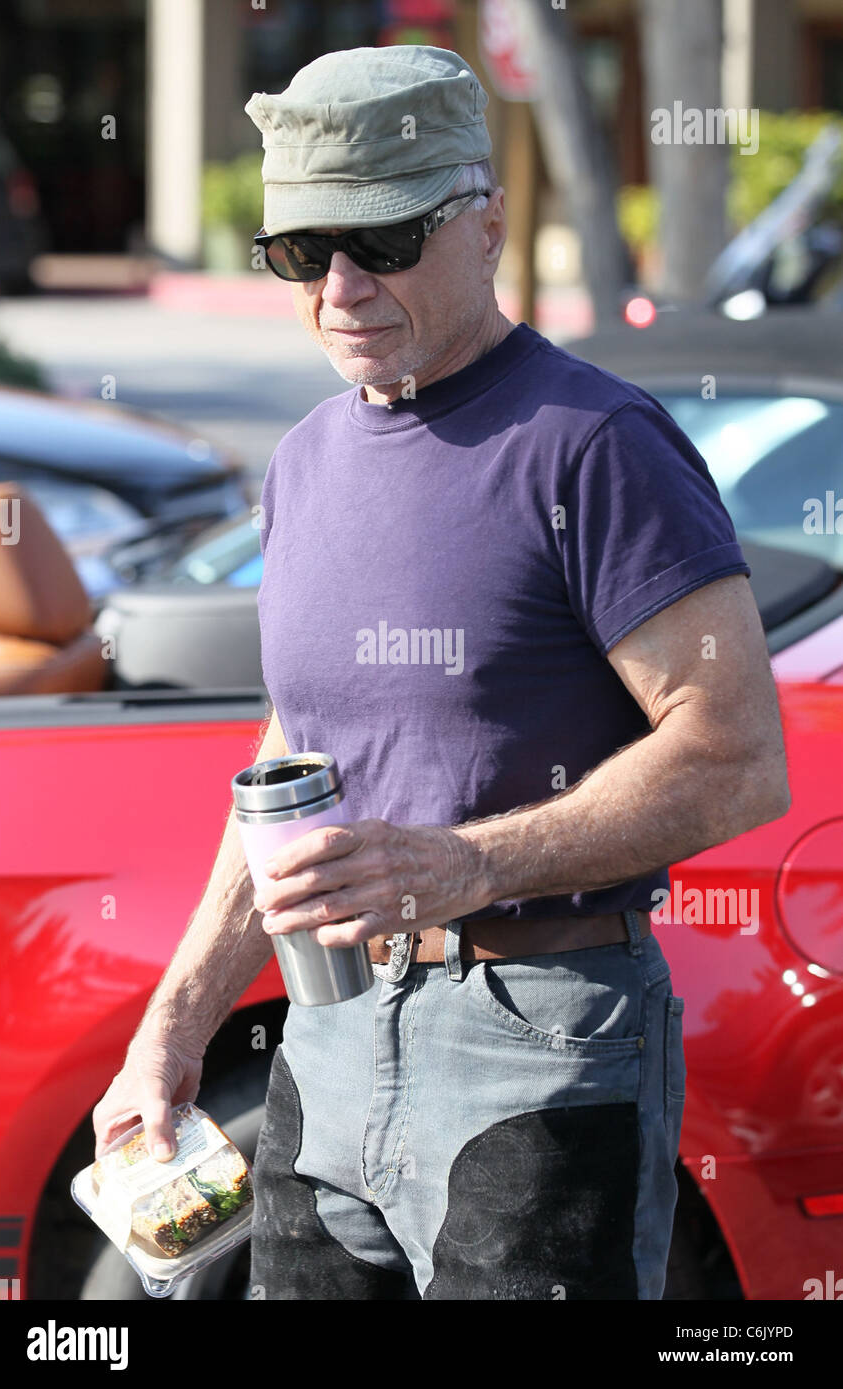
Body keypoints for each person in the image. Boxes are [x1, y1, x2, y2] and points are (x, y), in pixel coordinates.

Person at [93, 45, 790, 1300]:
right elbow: (283, 765)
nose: (344, 286)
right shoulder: (304, 459)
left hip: (538, 1036)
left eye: (385, 238)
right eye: (303, 253)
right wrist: (176, 1024)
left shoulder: (596, 445)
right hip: (327, 1033)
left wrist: (468, 860)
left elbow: (735, 756)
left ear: (487, 225)